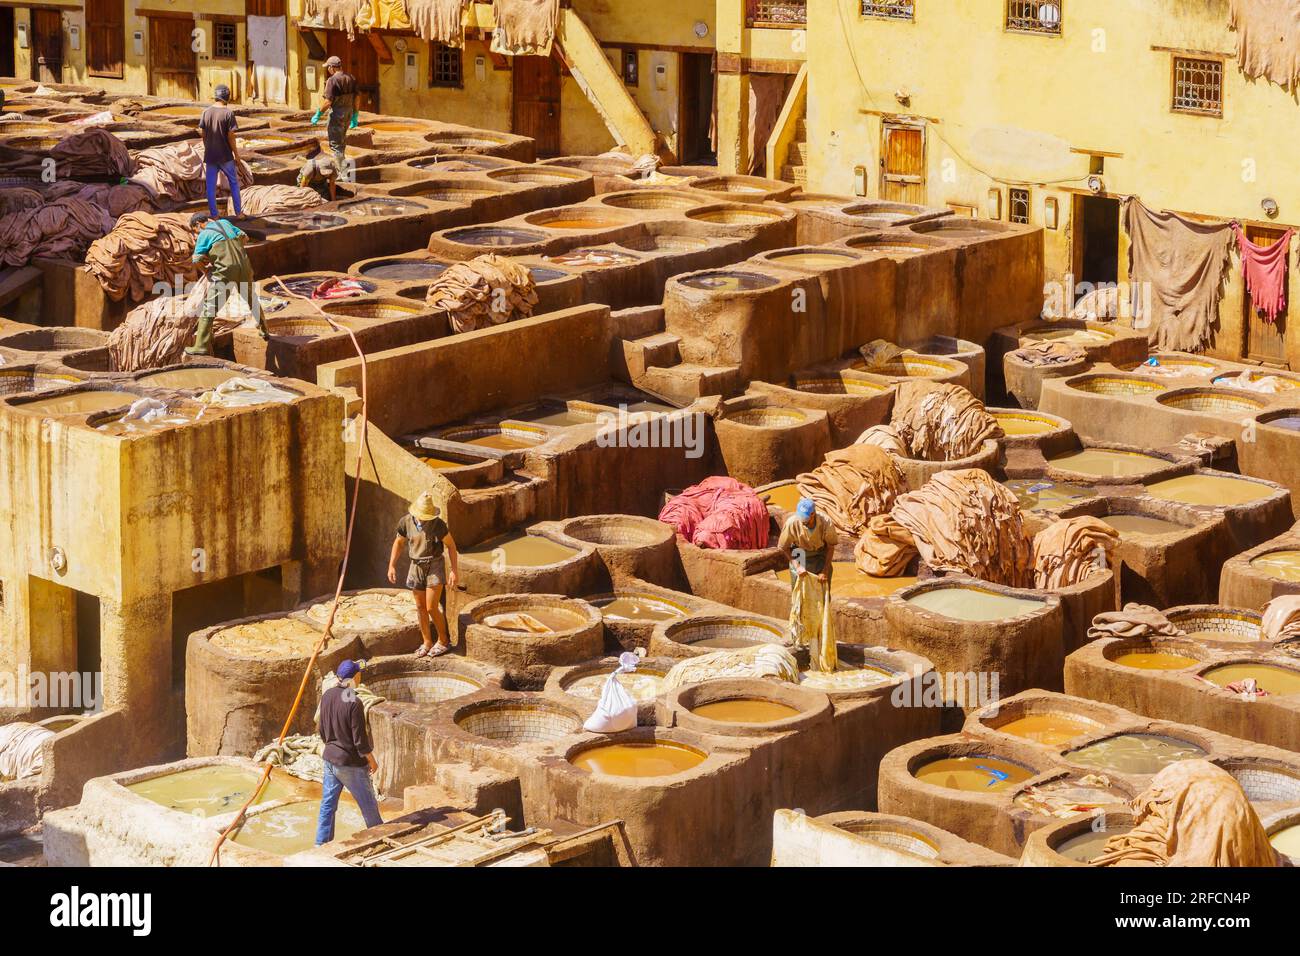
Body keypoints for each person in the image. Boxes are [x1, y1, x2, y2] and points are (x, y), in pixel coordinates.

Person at [314, 660, 384, 846]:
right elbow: (359, 740)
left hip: (329, 759)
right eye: (358, 674)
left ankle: (320, 846)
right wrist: (372, 761)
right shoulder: (354, 701)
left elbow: (321, 729)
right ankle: (381, 840)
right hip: (350, 764)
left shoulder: (327, 695)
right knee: (368, 805)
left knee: (327, 806)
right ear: (355, 678)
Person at [185, 213, 269, 356]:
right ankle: (264, 329)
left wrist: (205, 271)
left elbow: (196, 259)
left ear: (199, 224)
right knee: (251, 299)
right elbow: (244, 236)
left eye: (195, 230)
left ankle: (201, 346)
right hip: (244, 267)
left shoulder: (204, 234)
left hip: (225, 272)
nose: (197, 233)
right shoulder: (225, 223)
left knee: (209, 307)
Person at [388, 492, 460, 658]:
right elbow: (398, 543)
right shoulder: (405, 522)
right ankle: (427, 641)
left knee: (431, 607)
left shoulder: (438, 525)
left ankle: (443, 640)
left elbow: (451, 546)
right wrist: (392, 565)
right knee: (420, 607)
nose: (424, 519)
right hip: (415, 565)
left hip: (434, 565)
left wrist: (454, 571)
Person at [778, 498, 838, 673]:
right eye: (801, 518)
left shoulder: (825, 522)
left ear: (813, 515)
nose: (803, 521)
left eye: (806, 518)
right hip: (799, 553)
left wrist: (825, 570)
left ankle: (820, 636)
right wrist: (797, 566)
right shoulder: (792, 522)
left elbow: (831, 547)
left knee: (822, 596)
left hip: (820, 555)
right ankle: (800, 638)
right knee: (800, 597)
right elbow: (784, 547)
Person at [198, 85, 243, 219]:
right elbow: (231, 136)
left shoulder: (206, 112)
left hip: (211, 156)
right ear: (227, 97)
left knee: (210, 187)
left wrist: (208, 148)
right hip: (225, 155)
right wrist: (237, 155)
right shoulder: (228, 113)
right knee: (234, 183)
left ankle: (214, 215)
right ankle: (238, 213)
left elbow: (203, 133)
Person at [312, 55, 358, 176]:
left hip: (337, 116)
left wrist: (318, 114)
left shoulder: (332, 80)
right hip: (348, 114)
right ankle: (342, 170)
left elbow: (328, 101)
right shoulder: (351, 78)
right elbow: (357, 98)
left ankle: (343, 174)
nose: (328, 70)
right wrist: (355, 114)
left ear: (332, 67)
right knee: (342, 143)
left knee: (336, 146)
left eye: (328, 67)